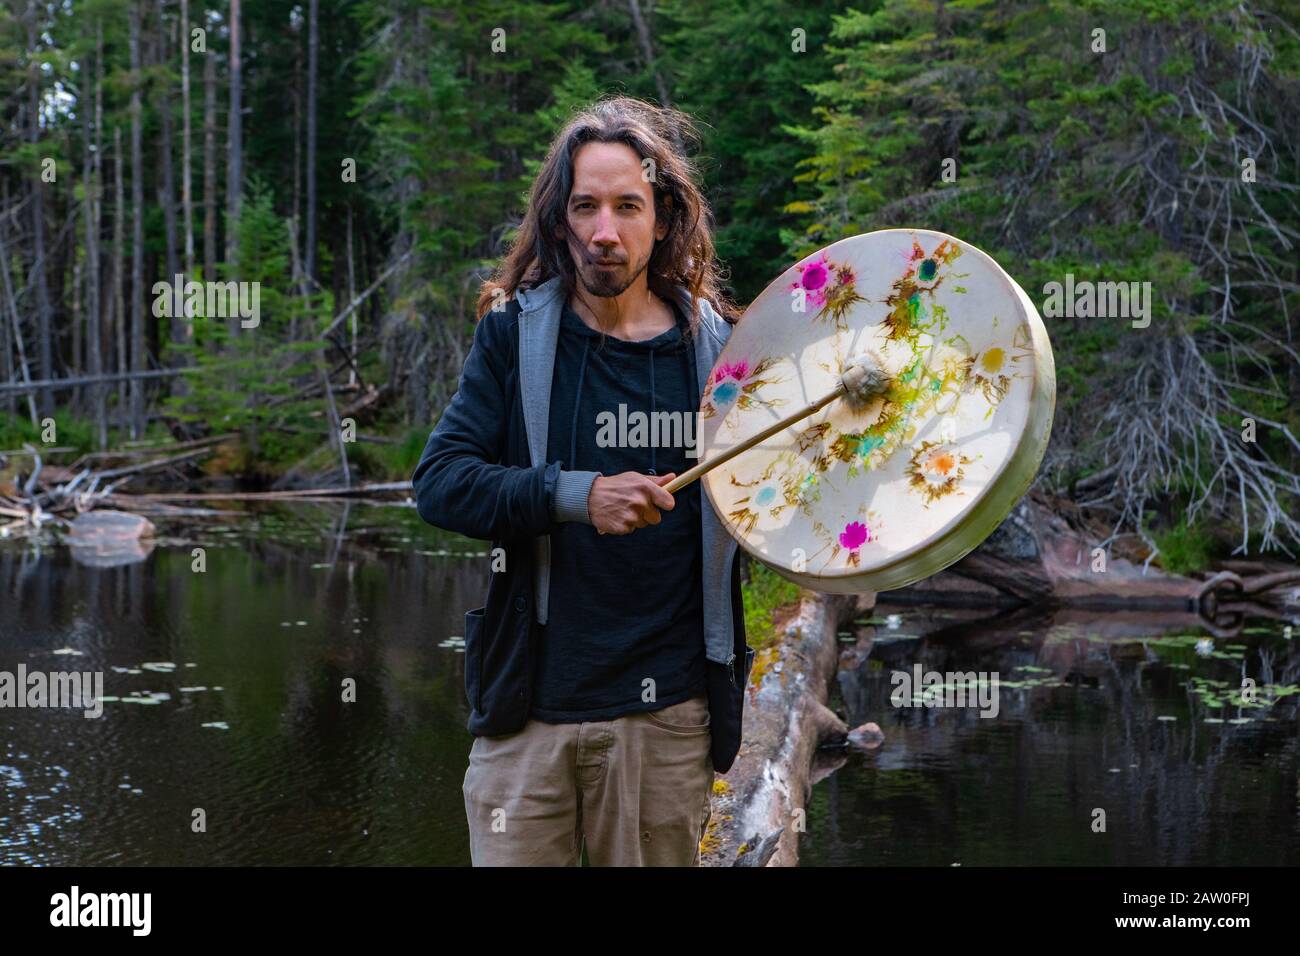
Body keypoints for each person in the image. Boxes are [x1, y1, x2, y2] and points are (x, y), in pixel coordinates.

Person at [412, 96, 755, 866]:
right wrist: (577, 496)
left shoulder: (722, 355)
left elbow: (771, 507)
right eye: (586, 207)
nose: (606, 231)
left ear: (664, 218)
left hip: (666, 722)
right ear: (560, 220)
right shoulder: (514, 336)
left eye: (628, 206)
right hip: (527, 717)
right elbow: (440, 484)